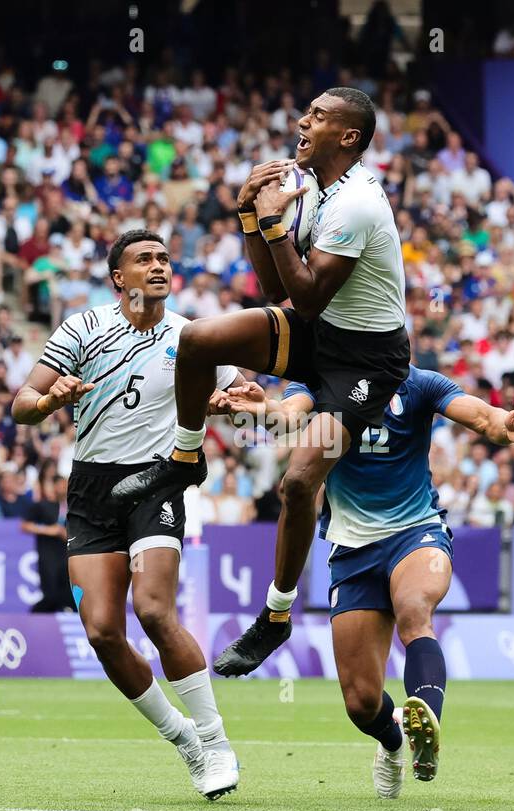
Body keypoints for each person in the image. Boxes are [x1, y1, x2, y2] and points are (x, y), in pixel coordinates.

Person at [112, 87, 410, 677]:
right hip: (319, 332)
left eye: (319, 117)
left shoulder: (356, 205)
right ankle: (185, 458)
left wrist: (271, 222)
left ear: (348, 138)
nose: (302, 120)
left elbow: (305, 292)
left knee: (299, 482)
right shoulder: (318, 193)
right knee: (196, 340)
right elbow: (277, 290)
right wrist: (250, 214)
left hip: (365, 363)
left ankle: (275, 617)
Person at [221, 368, 514, 795]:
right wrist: (264, 410)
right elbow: (289, 415)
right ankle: (392, 739)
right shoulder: (322, 382)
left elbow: (482, 416)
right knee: (361, 702)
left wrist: (504, 424)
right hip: (352, 551)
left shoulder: (422, 385)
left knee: (414, 612)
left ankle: (427, 728)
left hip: (416, 533)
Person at [11, 230, 246, 800]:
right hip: (92, 487)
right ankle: (184, 741)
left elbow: (250, 399)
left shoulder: (193, 337)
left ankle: (215, 742)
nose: (159, 266)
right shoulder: (83, 330)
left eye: (164, 258)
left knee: (154, 609)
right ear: (120, 277)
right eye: (145, 259)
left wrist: (234, 404)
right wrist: (49, 401)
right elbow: (20, 406)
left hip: (155, 480)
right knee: (102, 632)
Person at [22, 469, 73, 613]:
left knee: (68, 597)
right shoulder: (43, 506)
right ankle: (34, 616)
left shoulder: (73, 507)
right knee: (50, 595)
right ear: (54, 487)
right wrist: (50, 530)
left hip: (67, 556)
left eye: (66, 485)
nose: (64, 488)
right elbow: (25, 525)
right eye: (61, 485)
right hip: (48, 556)